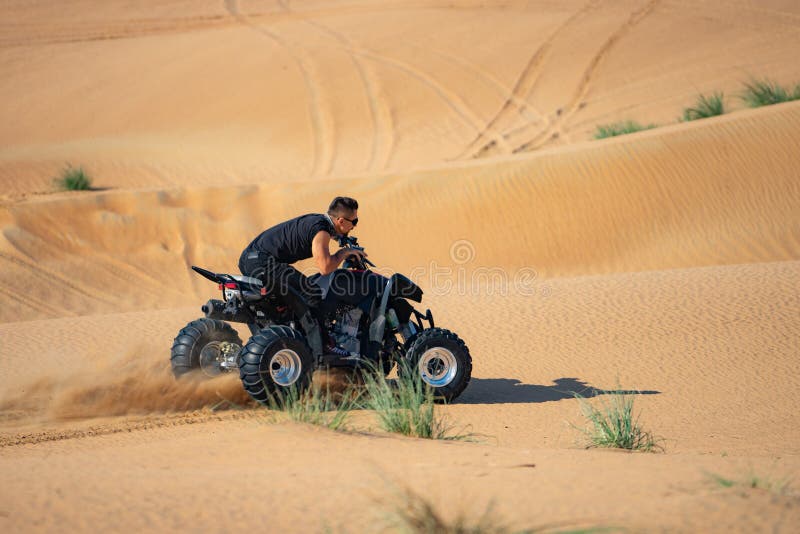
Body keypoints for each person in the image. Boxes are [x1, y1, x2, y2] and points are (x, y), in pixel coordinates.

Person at [238, 196, 368, 310]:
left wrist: (346, 242)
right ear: (341, 221)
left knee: (286, 301)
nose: (354, 226)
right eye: (354, 222)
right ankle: (319, 338)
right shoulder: (321, 231)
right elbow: (325, 267)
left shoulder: (318, 221)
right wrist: (342, 253)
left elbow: (333, 235)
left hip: (249, 260)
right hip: (262, 262)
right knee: (312, 294)